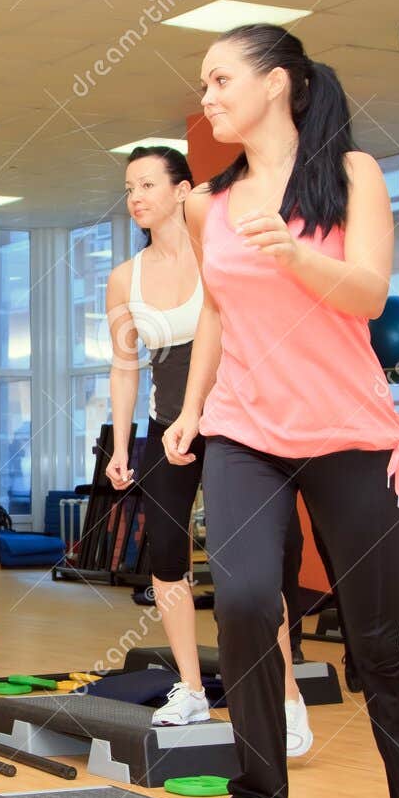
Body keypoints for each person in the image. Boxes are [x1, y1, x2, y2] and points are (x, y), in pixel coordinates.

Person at [163, 22, 399, 798]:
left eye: (222, 80)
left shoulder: (352, 177)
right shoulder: (207, 203)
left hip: (347, 436)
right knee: (252, 600)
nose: (209, 96)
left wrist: (293, 252)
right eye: (205, 83)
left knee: (379, 649)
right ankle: (259, 794)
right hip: (246, 433)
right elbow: (218, 313)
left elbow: (369, 293)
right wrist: (190, 413)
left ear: (279, 84)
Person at [103, 146, 314, 751]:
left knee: (247, 566)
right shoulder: (125, 277)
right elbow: (125, 368)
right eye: (129, 187)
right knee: (165, 557)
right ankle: (192, 689)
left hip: (233, 426)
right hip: (166, 428)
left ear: (182, 191)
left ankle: (287, 695)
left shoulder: (216, 256)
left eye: (148, 184)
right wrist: (121, 446)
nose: (137, 196)